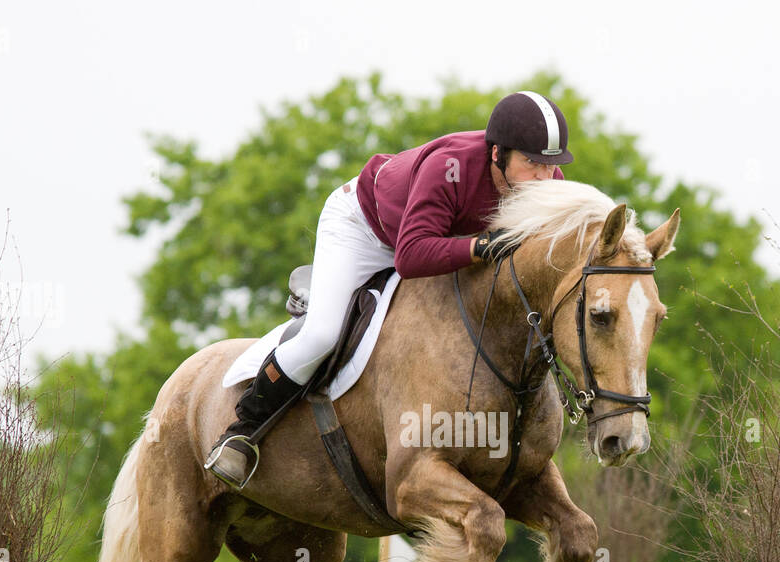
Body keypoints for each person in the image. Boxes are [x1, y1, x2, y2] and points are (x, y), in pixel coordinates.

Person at [204, 90, 574, 489]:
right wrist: (477, 247)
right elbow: (411, 256)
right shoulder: (449, 167)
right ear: (498, 153)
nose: (543, 178)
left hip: (435, 241)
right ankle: (242, 431)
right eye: (532, 163)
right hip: (364, 230)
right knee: (323, 334)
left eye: (550, 166)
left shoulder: (548, 185)